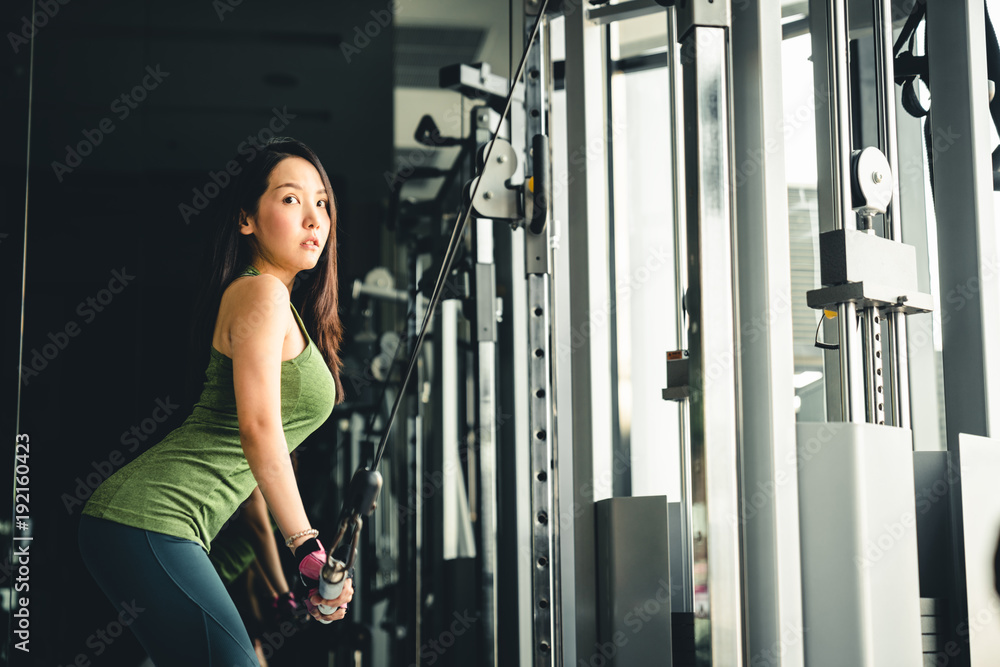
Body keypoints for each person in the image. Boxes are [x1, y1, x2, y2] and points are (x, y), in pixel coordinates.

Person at [77, 137, 354, 666]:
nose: (314, 218)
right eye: (291, 199)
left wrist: (302, 567)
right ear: (246, 219)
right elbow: (258, 430)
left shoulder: (279, 304)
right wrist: (305, 546)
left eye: (321, 202)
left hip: (157, 526)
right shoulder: (262, 292)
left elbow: (255, 464)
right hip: (151, 518)